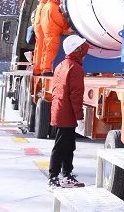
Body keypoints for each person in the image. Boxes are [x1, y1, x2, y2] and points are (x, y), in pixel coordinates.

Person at [47, 35, 88, 190]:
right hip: (67, 114)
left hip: (60, 111)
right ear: (76, 49)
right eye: (81, 47)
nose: (84, 50)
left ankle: (66, 174)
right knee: (62, 146)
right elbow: (76, 95)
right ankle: (54, 176)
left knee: (67, 145)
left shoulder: (62, 65)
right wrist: (80, 116)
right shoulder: (75, 68)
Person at [40, 0, 72, 76]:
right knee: (51, 51)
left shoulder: (45, 6)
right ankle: (46, 70)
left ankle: (43, 68)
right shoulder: (53, 7)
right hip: (53, 33)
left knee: (46, 51)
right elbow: (60, 21)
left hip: (47, 33)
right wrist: (67, 26)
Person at [32, 0, 49, 73]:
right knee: (42, 51)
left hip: (39, 32)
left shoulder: (40, 6)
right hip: (43, 32)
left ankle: (37, 69)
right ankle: (40, 69)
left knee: (38, 50)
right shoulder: (45, 7)